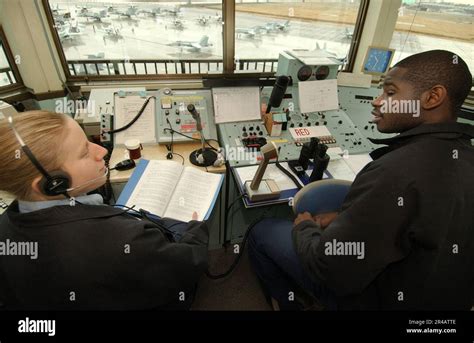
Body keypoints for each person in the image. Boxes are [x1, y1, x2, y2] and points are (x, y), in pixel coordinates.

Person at [248, 50, 474, 310]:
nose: (377, 102)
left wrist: (304, 228)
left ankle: (292, 304)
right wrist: (347, 215)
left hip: (370, 298)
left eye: (390, 93)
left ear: (433, 97)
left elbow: (329, 268)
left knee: (261, 231)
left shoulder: (393, 173)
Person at [0, 111, 209, 310]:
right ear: (53, 183)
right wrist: (196, 232)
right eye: (84, 152)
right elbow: (187, 265)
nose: (102, 151)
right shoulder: (122, 240)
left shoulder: (6, 225)